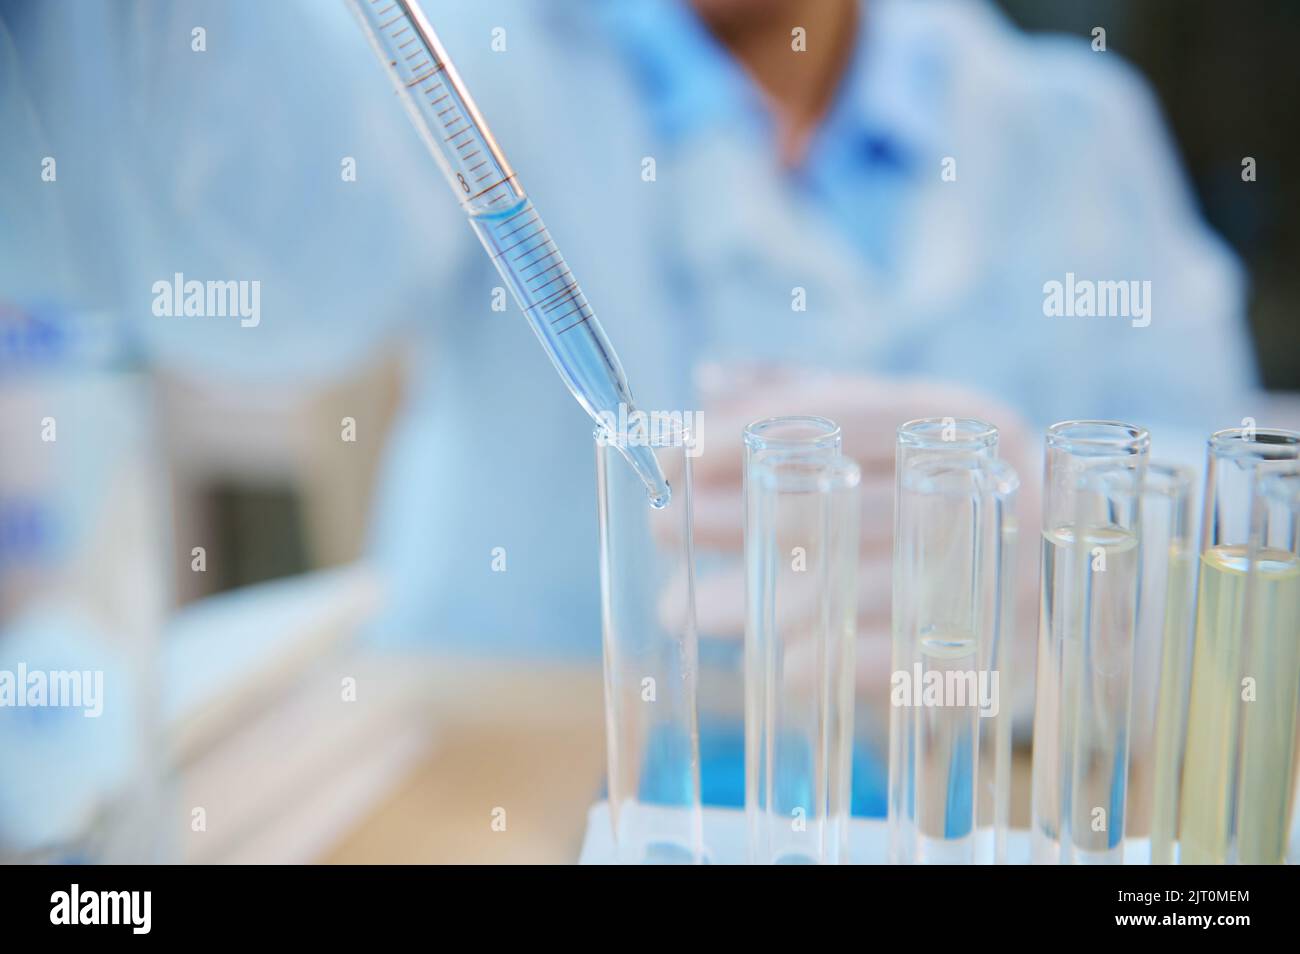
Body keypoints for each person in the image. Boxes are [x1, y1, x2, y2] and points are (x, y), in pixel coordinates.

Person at [0, 0, 1257, 813]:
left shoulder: (1069, 125)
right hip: (502, 808)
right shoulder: (478, 52)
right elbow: (214, 243)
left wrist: (1077, 588)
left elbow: (1242, 524)